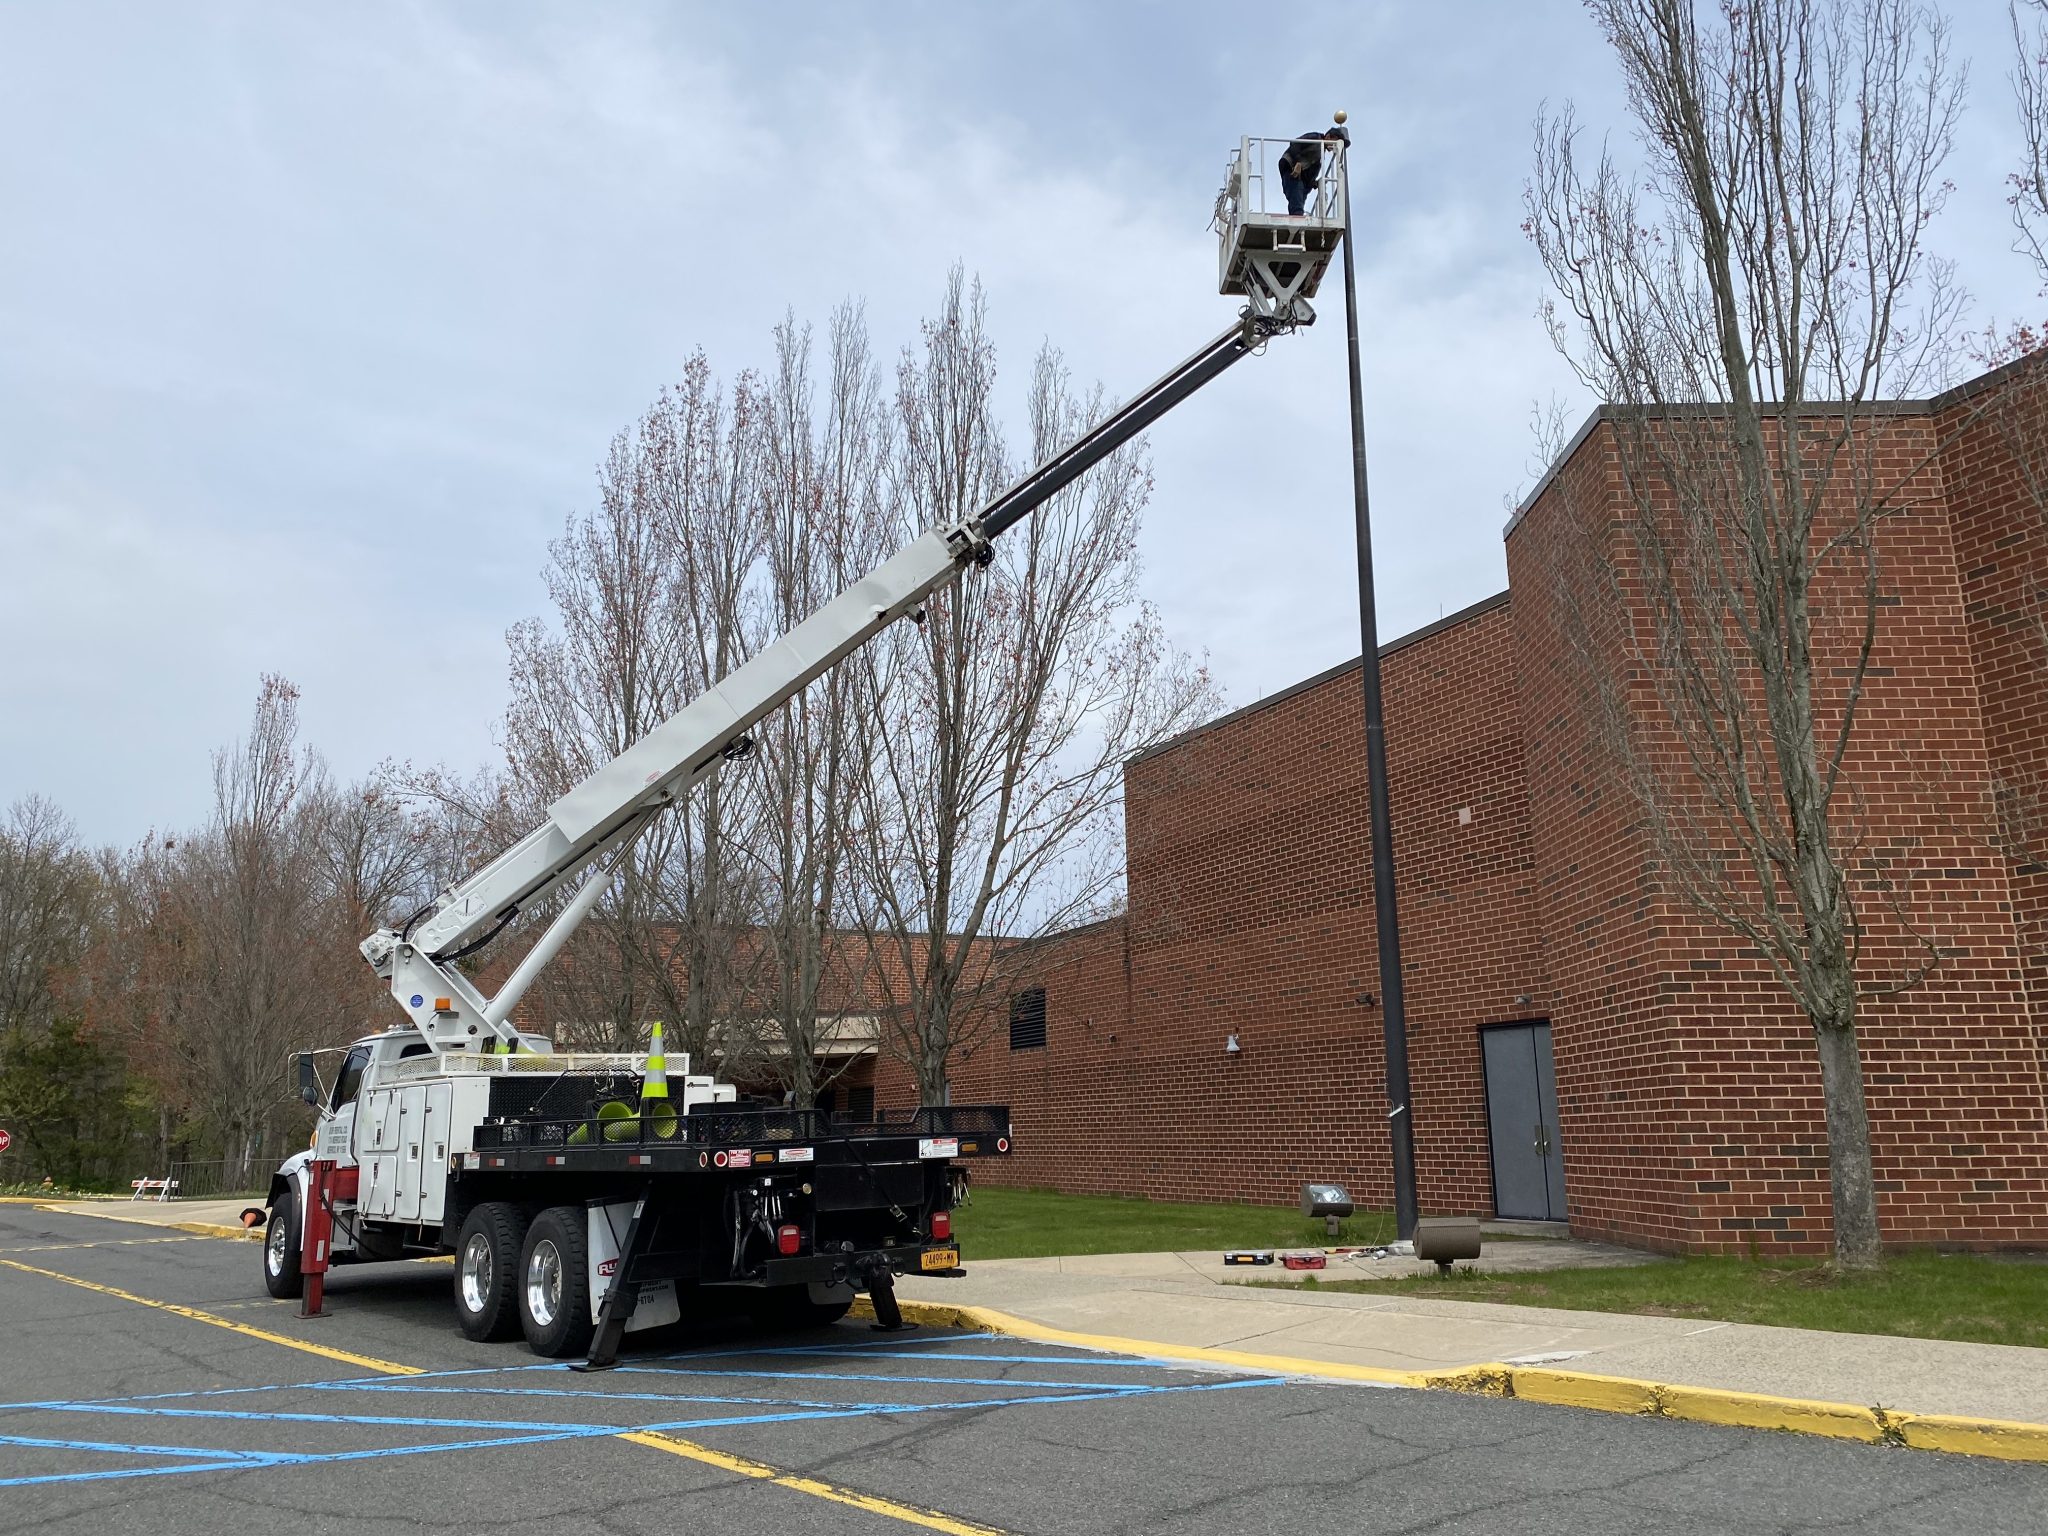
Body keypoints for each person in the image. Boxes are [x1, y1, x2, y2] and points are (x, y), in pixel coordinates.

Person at [1277, 125, 1346, 216]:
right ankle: (1297, 218)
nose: (1333, 146)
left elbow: (1309, 172)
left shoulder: (1320, 154)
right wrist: (1297, 162)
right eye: (1334, 142)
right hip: (1291, 167)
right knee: (1296, 195)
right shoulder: (1315, 138)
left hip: (1302, 177)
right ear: (1328, 137)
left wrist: (1314, 183)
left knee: (1299, 197)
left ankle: (1297, 216)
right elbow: (1296, 143)